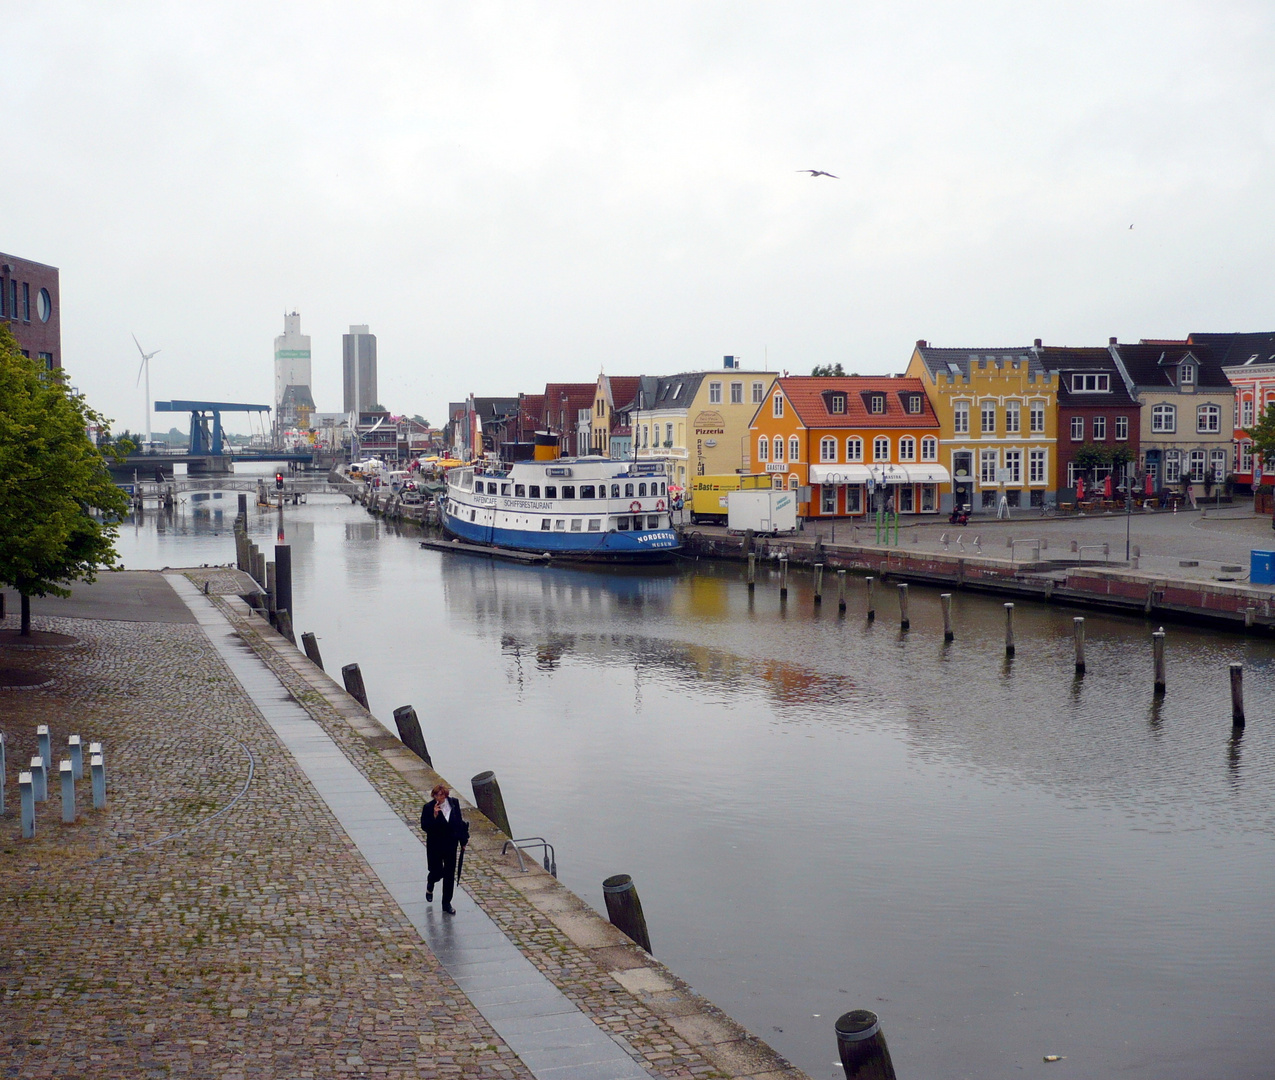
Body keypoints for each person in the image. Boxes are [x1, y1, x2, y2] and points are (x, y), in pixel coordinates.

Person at [420, 783, 469, 914]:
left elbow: (459, 823)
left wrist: (463, 840)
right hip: (435, 845)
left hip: (450, 845)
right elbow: (425, 827)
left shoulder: (454, 803)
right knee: (437, 872)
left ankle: (446, 903)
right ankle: (431, 883)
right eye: (437, 795)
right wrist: (434, 816)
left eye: (442, 795)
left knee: (449, 874)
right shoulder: (428, 808)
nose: (439, 798)